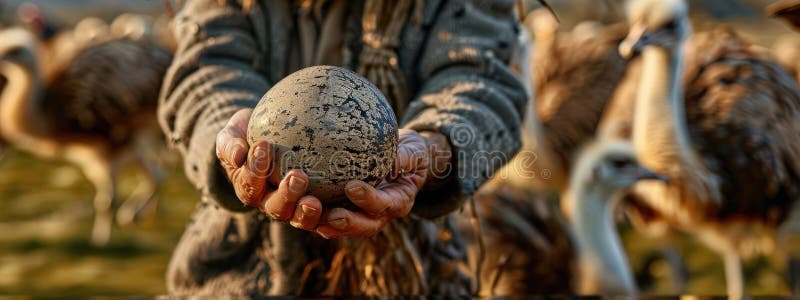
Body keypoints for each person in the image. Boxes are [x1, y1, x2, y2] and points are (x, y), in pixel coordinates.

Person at [158, 0, 526, 295]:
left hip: (416, 271)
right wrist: (235, 147)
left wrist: (432, 148)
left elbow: (478, 77)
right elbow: (207, 67)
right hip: (240, 272)